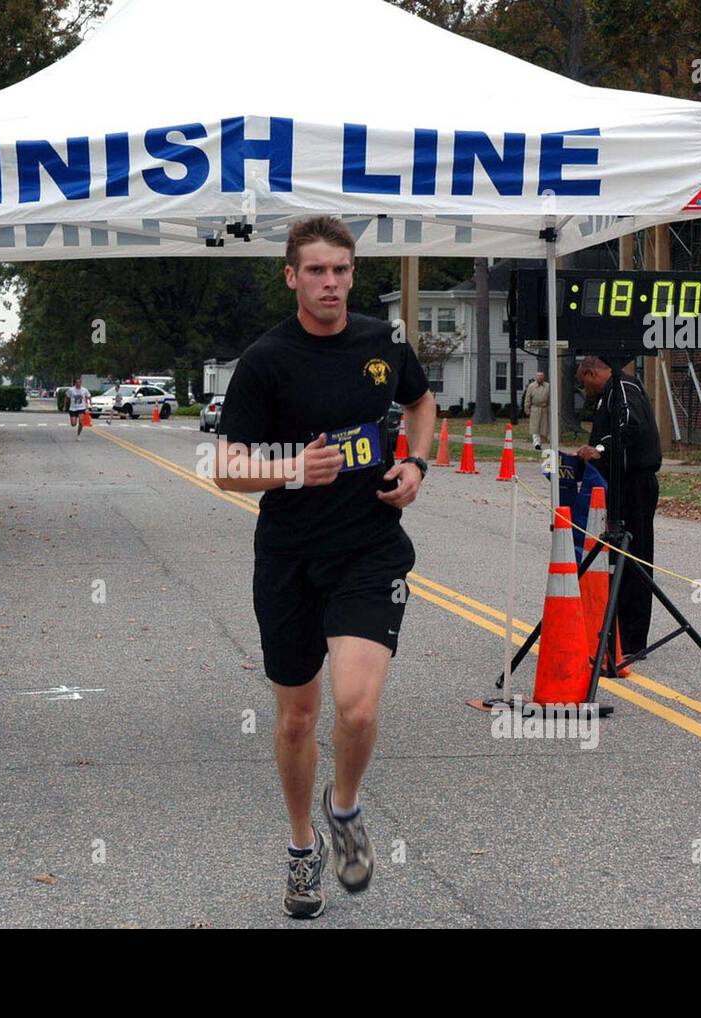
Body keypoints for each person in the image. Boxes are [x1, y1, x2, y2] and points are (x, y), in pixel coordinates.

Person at [215, 216, 436, 919]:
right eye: (315, 270)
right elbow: (224, 468)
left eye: (340, 269)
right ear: (291, 276)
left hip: (371, 551)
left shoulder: (384, 340)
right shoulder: (264, 362)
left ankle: (344, 809)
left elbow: (423, 402)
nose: (330, 282)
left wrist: (417, 463)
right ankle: (302, 848)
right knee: (295, 720)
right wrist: (288, 469)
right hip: (288, 559)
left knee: (357, 705)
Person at [575, 355, 662, 659]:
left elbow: (630, 426)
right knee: (615, 558)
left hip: (634, 484)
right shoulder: (610, 392)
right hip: (618, 483)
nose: (585, 388)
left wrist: (599, 449)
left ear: (591, 372)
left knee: (633, 558)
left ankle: (633, 638)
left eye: (584, 381)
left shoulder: (622, 387)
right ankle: (616, 629)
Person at [523, 371, 550, 450]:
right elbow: (527, 398)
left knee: (543, 428)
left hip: (544, 409)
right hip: (534, 409)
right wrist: (527, 409)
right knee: (535, 428)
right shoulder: (531, 386)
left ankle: (540, 443)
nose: (540, 378)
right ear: (536, 377)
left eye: (541, 376)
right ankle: (536, 443)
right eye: (538, 376)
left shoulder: (548, 386)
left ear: (543, 377)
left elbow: (550, 398)